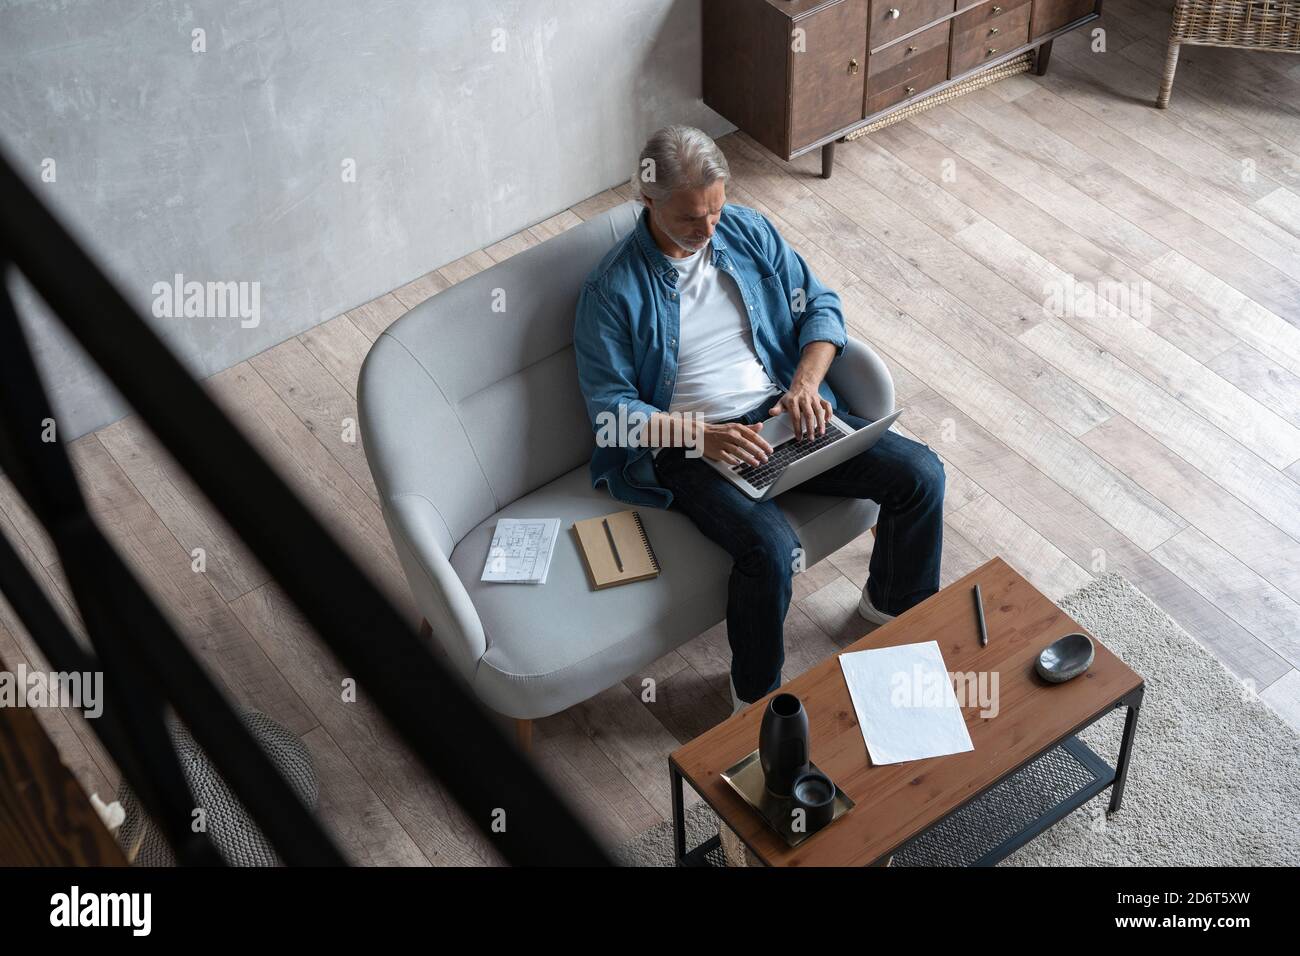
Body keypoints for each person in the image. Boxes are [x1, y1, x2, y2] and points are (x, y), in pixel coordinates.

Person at [574, 125, 945, 712]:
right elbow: (611, 415)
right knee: (769, 549)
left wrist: (804, 384)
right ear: (646, 199)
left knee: (920, 472)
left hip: (777, 411)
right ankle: (756, 698)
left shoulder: (747, 229)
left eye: (716, 208)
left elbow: (821, 306)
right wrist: (702, 436)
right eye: (692, 218)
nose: (709, 228)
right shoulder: (612, 293)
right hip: (689, 446)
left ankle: (892, 610)